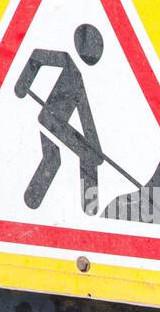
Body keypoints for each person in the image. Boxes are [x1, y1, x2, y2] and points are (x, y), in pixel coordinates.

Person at [14, 23, 106, 214]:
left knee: (59, 158)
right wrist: (22, 85)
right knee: (72, 157)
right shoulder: (68, 62)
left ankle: (88, 207)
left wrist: (96, 146)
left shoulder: (79, 77)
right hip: (51, 120)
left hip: (57, 123)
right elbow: (37, 56)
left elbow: (84, 111)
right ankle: (88, 206)